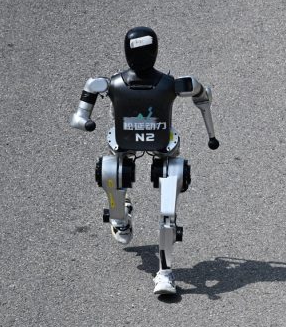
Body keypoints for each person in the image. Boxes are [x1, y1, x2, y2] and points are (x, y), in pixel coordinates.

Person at [69, 26, 220, 297]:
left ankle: (164, 273)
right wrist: (211, 134)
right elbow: (203, 97)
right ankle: (120, 217)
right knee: (110, 172)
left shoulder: (113, 83)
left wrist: (85, 120)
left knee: (168, 212)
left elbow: (202, 96)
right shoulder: (167, 84)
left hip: (160, 145)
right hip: (126, 143)